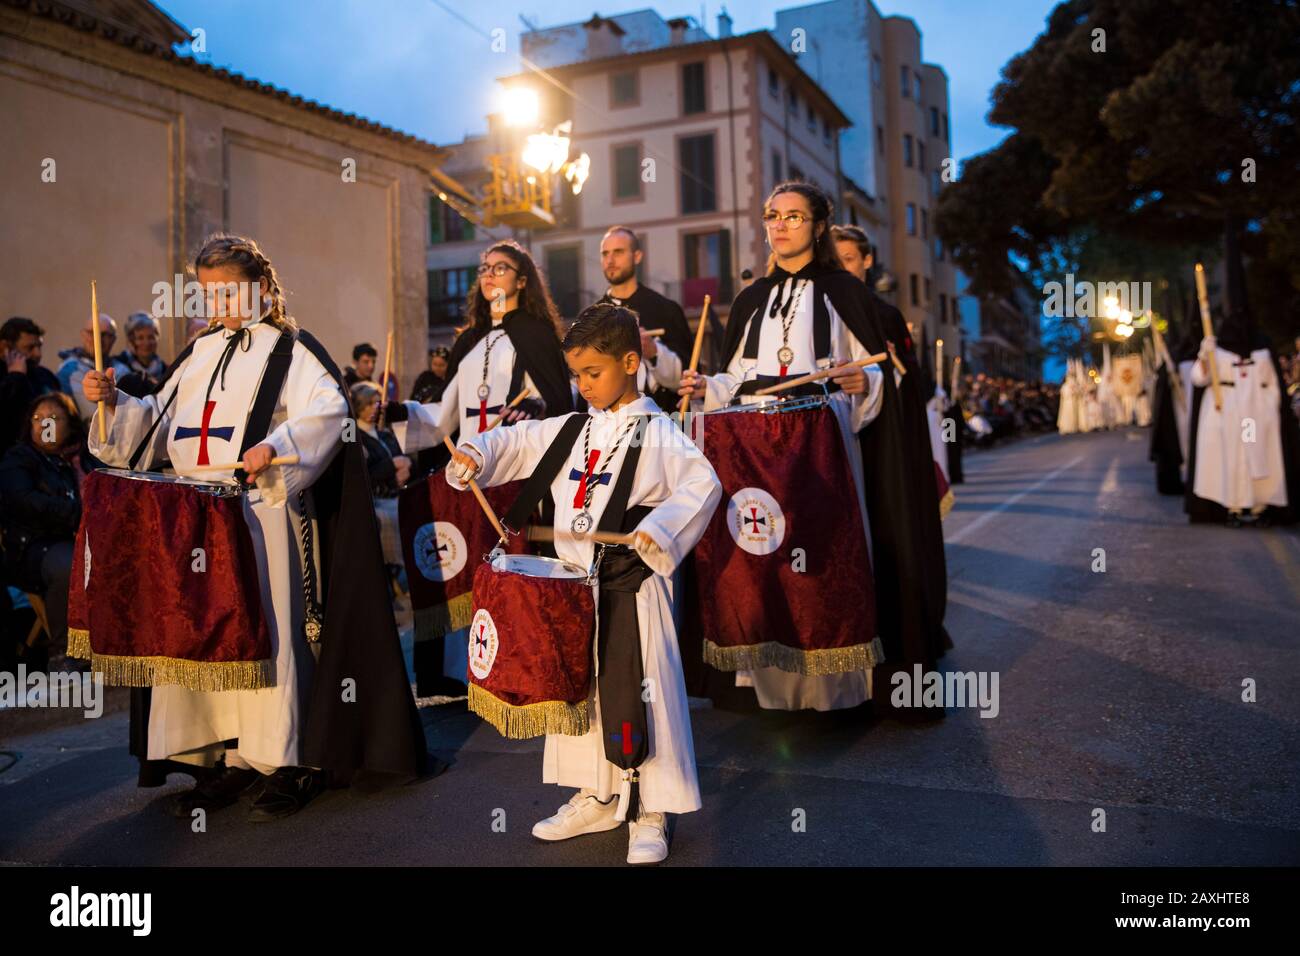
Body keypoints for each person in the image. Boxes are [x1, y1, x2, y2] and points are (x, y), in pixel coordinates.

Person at [81, 232, 427, 819]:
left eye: (226, 291)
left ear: (262, 290)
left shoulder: (293, 349)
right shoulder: (197, 354)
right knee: (201, 633)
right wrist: (113, 402)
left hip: (258, 511)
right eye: (206, 293)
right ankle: (220, 757)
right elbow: (154, 427)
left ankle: (285, 759)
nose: (214, 304)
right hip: (192, 515)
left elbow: (329, 410)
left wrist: (277, 444)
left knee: (268, 635)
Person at [446, 303, 721, 864]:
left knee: (640, 695)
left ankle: (649, 807)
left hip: (631, 591)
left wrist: (660, 531)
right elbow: (515, 443)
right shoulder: (573, 428)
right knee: (582, 694)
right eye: (577, 375)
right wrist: (477, 451)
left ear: (630, 362)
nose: (584, 385)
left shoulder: (660, 432)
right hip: (570, 591)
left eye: (593, 373)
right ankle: (597, 795)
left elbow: (703, 483)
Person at [678, 185, 886, 712]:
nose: (781, 225)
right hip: (755, 442)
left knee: (817, 557)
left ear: (818, 227)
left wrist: (866, 384)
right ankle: (771, 685)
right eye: (773, 216)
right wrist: (709, 387)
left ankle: (830, 688)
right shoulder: (752, 298)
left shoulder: (845, 291)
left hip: (820, 438)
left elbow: (869, 364)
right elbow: (738, 375)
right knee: (762, 550)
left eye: (795, 216)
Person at [383, 240, 575, 694]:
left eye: (501, 268)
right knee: (457, 562)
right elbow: (442, 417)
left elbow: (554, 401)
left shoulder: (537, 333)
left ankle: (514, 670)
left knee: (503, 567)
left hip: (513, 473)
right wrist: (400, 413)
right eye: (485, 268)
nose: (489, 275)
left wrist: (532, 410)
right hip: (466, 474)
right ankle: (457, 675)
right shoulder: (467, 341)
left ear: (522, 280)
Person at [831, 222, 952, 719]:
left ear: (866, 264)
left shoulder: (884, 314)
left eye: (850, 260)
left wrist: (874, 380)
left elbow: (908, 382)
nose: (843, 269)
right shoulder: (821, 314)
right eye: (833, 261)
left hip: (881, 457)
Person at [1185, 308, 1300, 525]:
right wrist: (1204, 356)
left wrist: (1270, 409)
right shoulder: (1217, 351)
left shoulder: (1262, 351)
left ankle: (1259, 506)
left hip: (1253, 417)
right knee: (1231, 458)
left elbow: (1273, 384)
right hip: (1226, 414)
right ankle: (1233, 506)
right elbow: (1200, 378)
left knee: (1256, 457)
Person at [0, 392, 84, 654]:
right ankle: (63, 651)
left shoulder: (80, 458)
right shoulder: (19, 458)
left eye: (54, 418)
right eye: (38, 418)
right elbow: (24, 501)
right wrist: (76, 512)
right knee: (69, 564)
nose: (45, 424)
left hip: (78, 538)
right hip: (34, 546)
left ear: (70, 424)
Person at [593, 226, 693, 413]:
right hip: (610, 425)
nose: (610, 260)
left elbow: (688, 376)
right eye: (605, 254)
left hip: (663, 421)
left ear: (637, 256)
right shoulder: (592, 319)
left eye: (618, 252)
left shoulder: (666, 310)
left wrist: (654, 352)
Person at [2, 316, 62, 455]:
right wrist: (16, 377)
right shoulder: (6, 379)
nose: (37, 354)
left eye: (39, 346)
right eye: (29, 348)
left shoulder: (45, 376)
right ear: (6, 348)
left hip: (45, 457)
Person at [58, 313, 117, 422]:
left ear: (113, 339)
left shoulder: (123, 369)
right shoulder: (68, 370)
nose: (97, 339)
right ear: (83, 335)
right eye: (91, 332)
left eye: (104, 334)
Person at [111, 312, 166, 386]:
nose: (146, 343)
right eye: (140, 338)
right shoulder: (116, 368)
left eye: (151, 337)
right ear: (130, 340)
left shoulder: (165, 370)